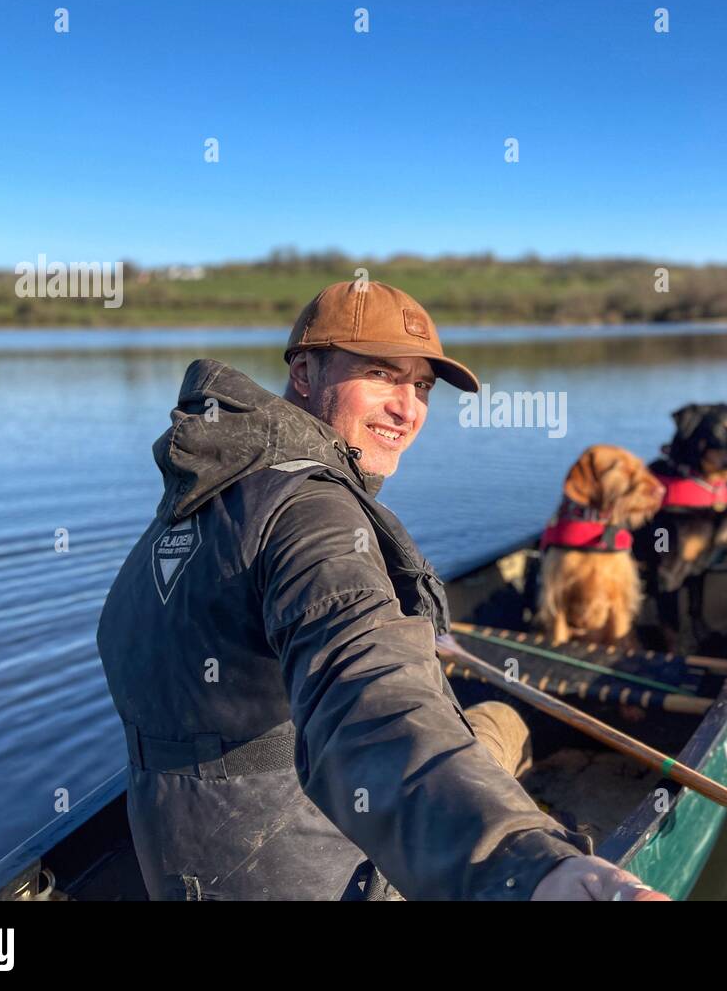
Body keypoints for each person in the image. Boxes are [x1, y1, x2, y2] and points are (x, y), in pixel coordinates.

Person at [95, 279, 667, 901]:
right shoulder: (315, 514)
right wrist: (529, 865)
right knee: (508, 717)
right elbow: (372, 703)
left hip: (182, 856)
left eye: (420, 386)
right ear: (306, 374)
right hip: (317, 871)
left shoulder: (200, 492)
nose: (408, 408)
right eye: (380, 374)